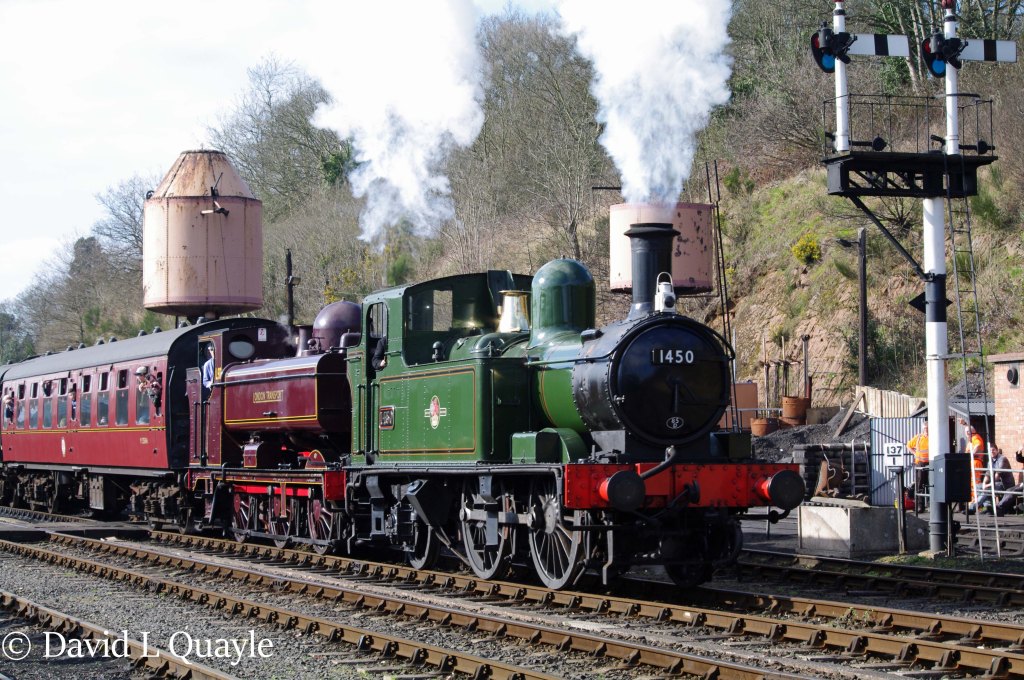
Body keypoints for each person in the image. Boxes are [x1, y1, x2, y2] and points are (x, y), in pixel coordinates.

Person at [907, 422, 929, 498]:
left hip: (931, 463)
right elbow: (909, 445)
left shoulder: (933, 437)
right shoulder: (919, 437)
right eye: (925, 428)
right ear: (923, 429)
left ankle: (929, 503)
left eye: (927, 428)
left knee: (930, 483)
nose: (926, 430)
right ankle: (920, 505)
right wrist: (915, 453)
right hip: (920, 463)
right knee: (919, 483)